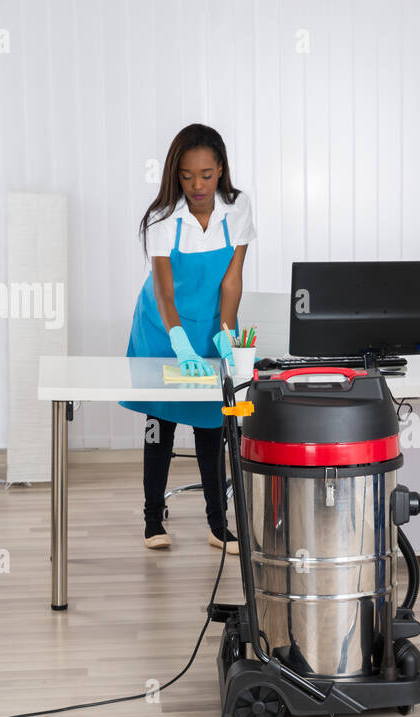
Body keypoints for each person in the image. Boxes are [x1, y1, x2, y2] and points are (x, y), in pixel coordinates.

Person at [120, 123, 255, 553]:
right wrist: (178, 341)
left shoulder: (238, 209)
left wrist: (227, 332)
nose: (197, 185)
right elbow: (162, 288)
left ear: (221, 170)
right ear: (174, 174)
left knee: (212, 423)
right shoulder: (163, 217)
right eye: (186, 176)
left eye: (206, 175)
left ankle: (218, 524)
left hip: (209, 324)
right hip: (163, 327)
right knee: (160, 423)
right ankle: (152, 519)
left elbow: (232, 279)